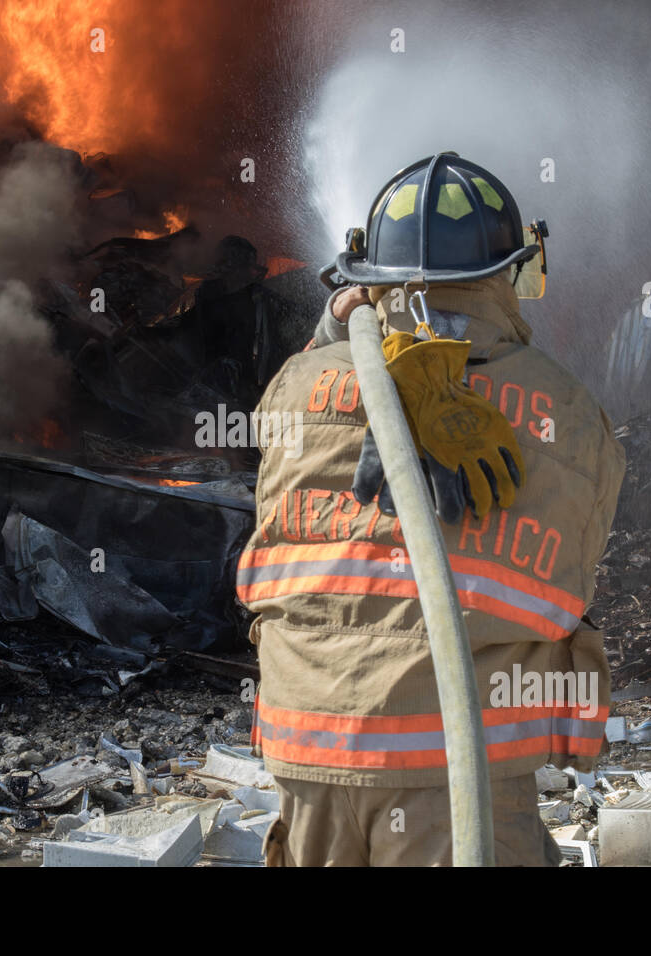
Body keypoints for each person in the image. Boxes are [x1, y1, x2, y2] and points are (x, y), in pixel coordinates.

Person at [237, 153, 625, 866]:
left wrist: (338, 338)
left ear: (364, 275)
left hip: (304, 748)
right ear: (514, 271)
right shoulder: (565, 410)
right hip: (453, 766)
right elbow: (568, 590)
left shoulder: (295, 384)